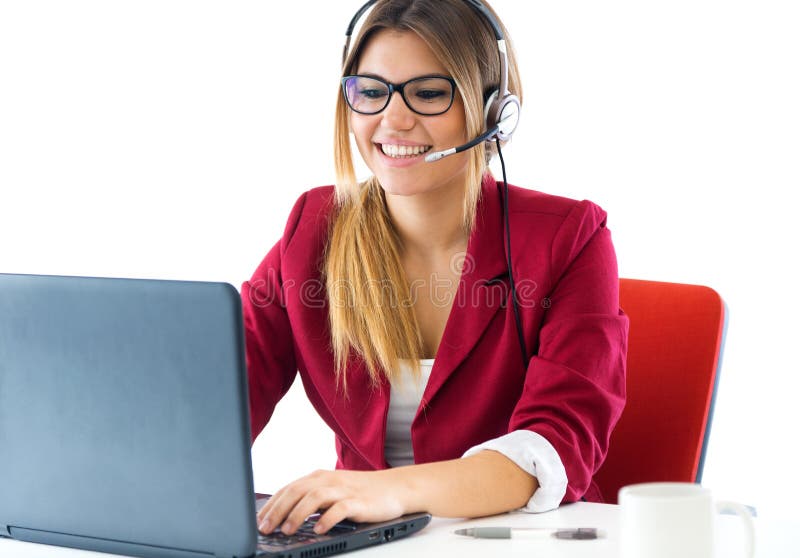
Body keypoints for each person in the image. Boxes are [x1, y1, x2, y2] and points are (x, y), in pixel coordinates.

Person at [243, 0, 628, 537]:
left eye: (428, 93)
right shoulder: (312, 231)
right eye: (372, 91)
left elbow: (554, 444)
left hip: (521, 541)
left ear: (494, 110)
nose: (393, 119)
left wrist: (391, 490)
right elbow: (225, 389)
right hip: (364, 544)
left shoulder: (569, 237)